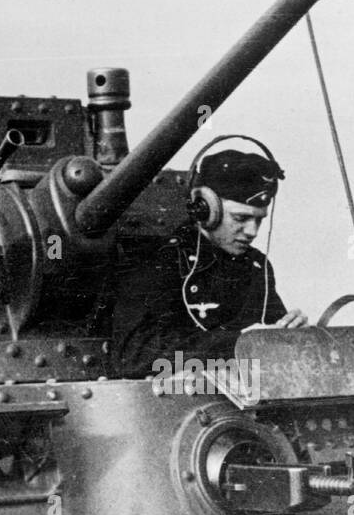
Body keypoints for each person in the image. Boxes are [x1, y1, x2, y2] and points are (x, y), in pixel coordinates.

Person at [109, 147, 307, 378]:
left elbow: (271, 342)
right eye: (240, 218)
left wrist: (291, 334)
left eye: (259, 220)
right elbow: (134, 357)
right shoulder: (159, 261)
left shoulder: (256, 266)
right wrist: (238, 342)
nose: (252, 232)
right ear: (206, 210)